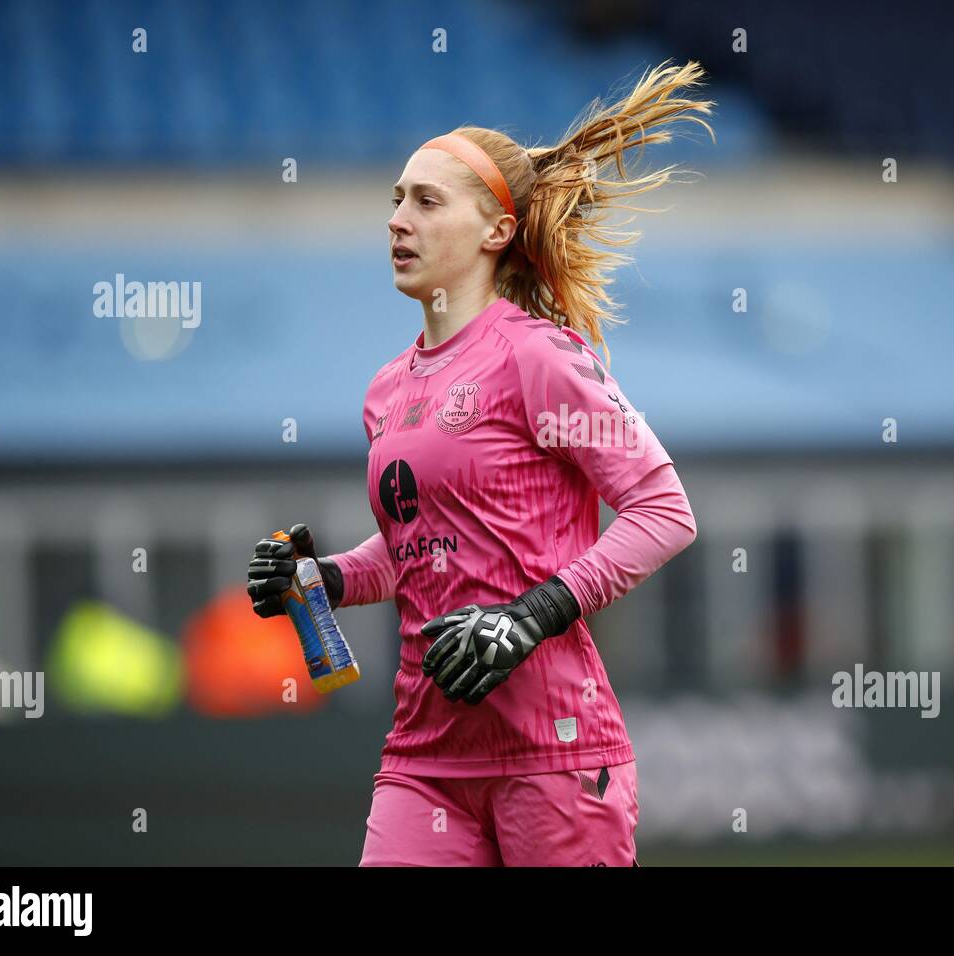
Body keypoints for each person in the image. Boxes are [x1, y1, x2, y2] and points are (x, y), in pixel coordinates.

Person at [247, 60, 712, 866]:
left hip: (556, 753)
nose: (398, 220)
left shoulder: (540, 359)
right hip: (424, 757)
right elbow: (419, 554)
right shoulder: (387, 389)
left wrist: (532, 614)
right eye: (395, 199)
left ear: (496, 231)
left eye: (427, 202)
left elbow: (665, 512)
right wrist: (320, 579)